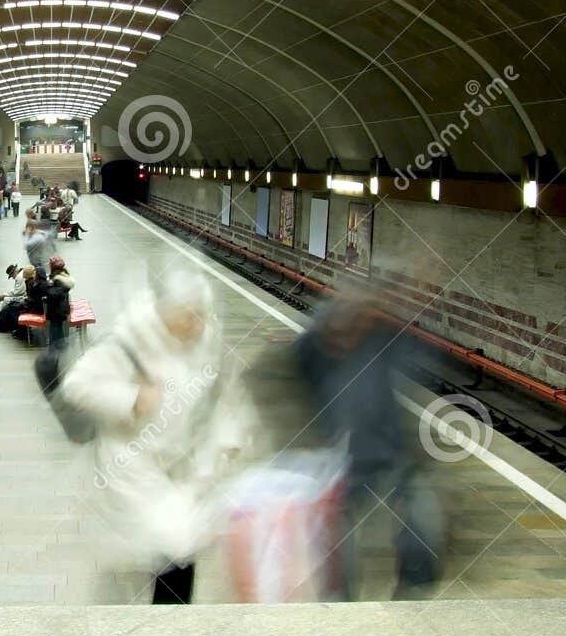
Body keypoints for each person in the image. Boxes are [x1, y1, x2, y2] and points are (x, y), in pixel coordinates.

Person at [57, 271, 245, 604]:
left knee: (177, 553)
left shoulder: (203, 341)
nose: (197, 324)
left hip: (179, 470)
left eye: (202, 315)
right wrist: (131, 399)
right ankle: (137, 621)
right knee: (164, 551)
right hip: (131, 467)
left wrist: (228, 439)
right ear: (165, 313)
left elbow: (220, 394)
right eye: (189, 316)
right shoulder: (130, 341)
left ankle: (163, 622)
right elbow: (76, 385)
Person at [291, 288, 443, 599]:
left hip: (390, 451)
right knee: (337, 531)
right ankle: (339, 597)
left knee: (420, 515)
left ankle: (413, 587)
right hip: (344, 459)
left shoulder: (381, 345)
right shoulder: (313, 353)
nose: (345, 337)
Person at [45, 255, 75, 354]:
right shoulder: (64, 276)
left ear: (53, 266)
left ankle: (54, 348)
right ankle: (61, 346)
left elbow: (54, 293)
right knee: (58, 326)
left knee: (54, 327)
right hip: (62, 306)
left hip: (56, 308)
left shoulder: (57, 279)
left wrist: (47, 286)